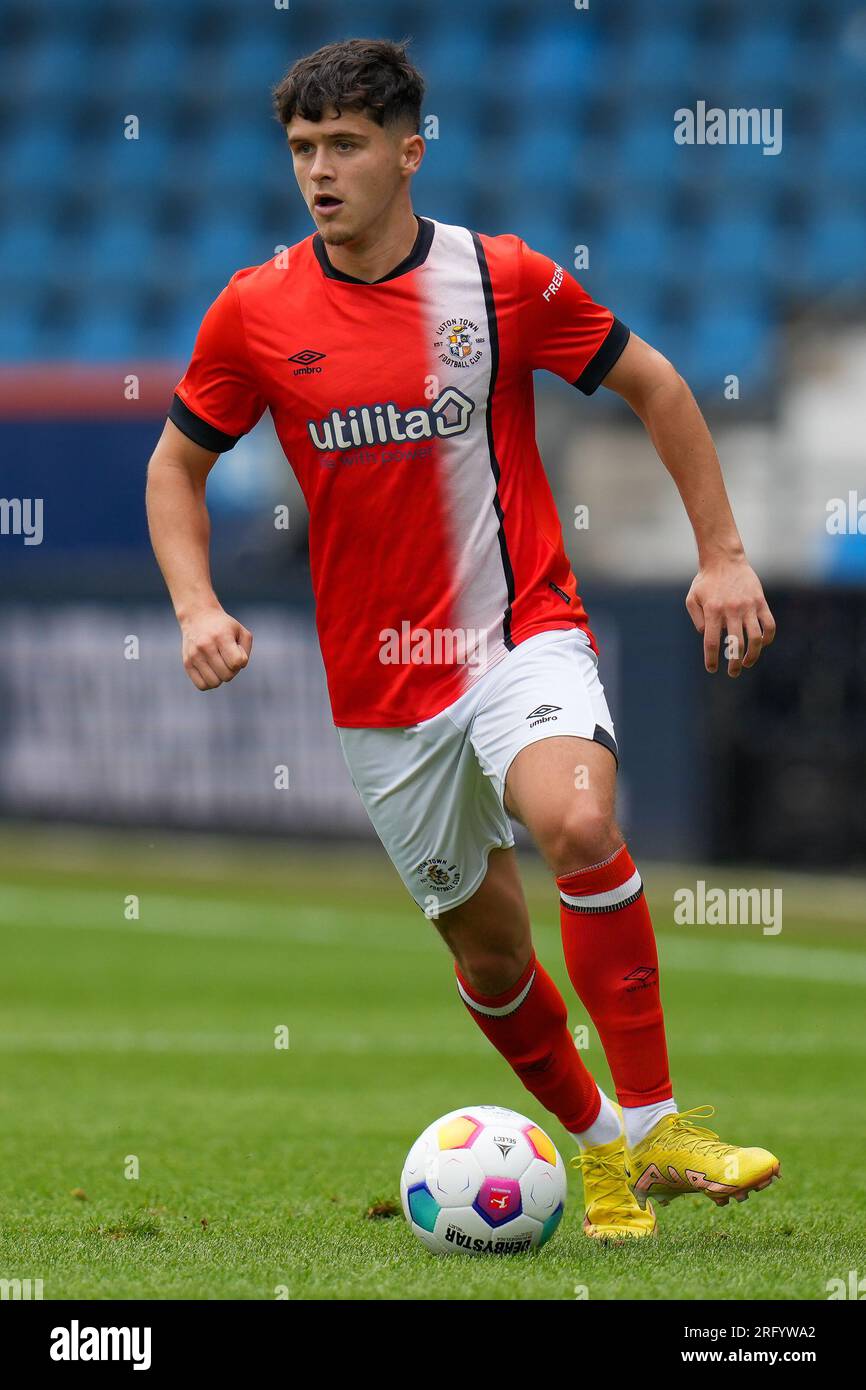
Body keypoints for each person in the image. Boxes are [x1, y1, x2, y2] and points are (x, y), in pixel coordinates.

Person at [146, 38, 780, 1240]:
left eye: (343, 146)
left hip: (516, 634)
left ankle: (656, 1122)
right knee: (492, 960)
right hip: (380, 694)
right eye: (302, 149)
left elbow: (654, 382)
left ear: (406, 151)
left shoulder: (504, 282)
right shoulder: (255, 309)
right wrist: (194, 602)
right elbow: (174, 467)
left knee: (580, 820)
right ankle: (600, 1157)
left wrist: (721, 552)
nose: (319, 172)